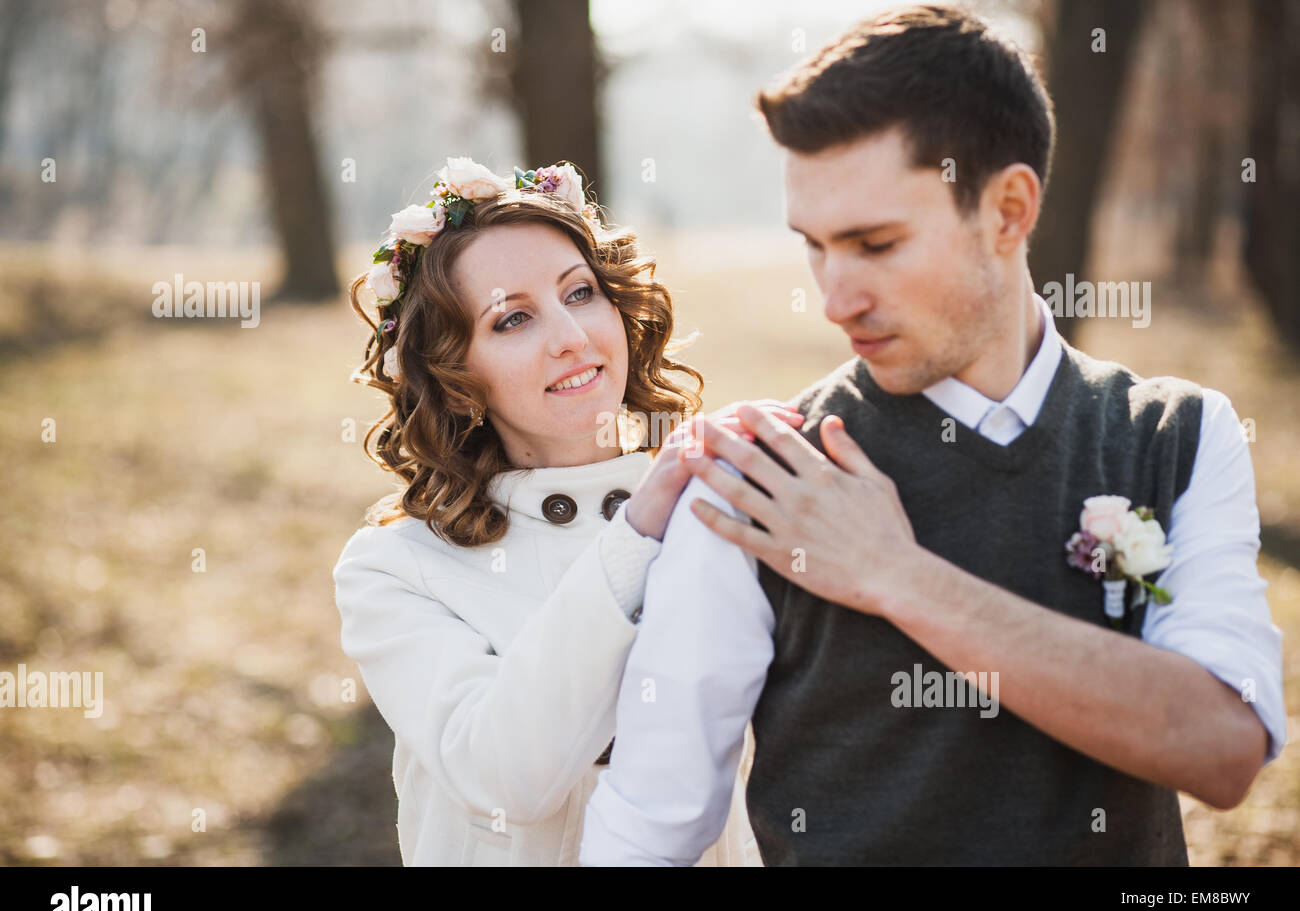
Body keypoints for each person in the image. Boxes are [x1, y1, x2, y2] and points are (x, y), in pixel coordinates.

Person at [580, 4, 1286, 866]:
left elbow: (1221, 750)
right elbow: (648, 827)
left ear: (1008, 210)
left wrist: (893, 574)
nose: (835, 298)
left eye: (875, 244)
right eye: (815, 247)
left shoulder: (1178, 434)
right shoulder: (759, 479)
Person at [332, 156, 802, 865]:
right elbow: (502, 777)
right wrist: (635, 534)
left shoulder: (717, 507)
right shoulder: (395, 569)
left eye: (580, 293)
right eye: (513, 318)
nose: (572, 337)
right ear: (454, 378)